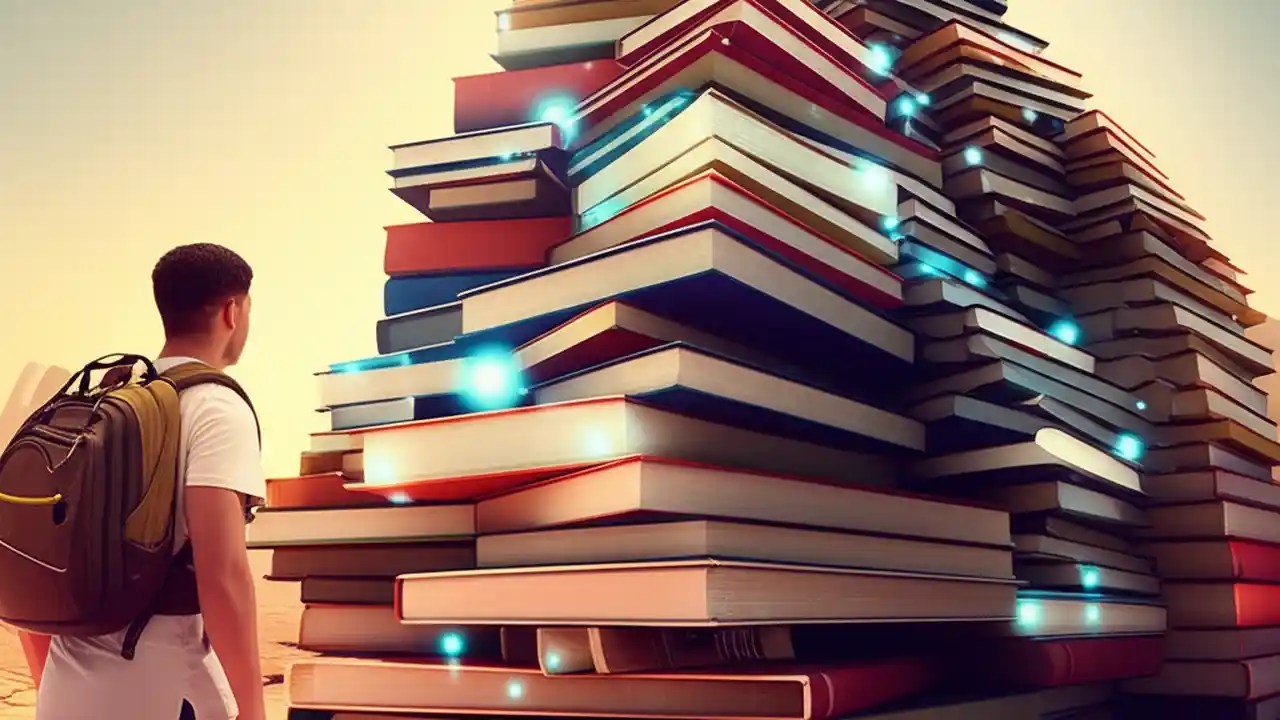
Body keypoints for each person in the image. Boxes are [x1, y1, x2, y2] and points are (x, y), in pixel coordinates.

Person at [32, 243, 267, 720]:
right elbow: (223, 573)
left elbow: (45, 552)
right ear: (232, 312)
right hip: (160, 685)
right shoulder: (215, 408)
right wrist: (254, 707)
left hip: (67, 681)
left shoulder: (109, 396)